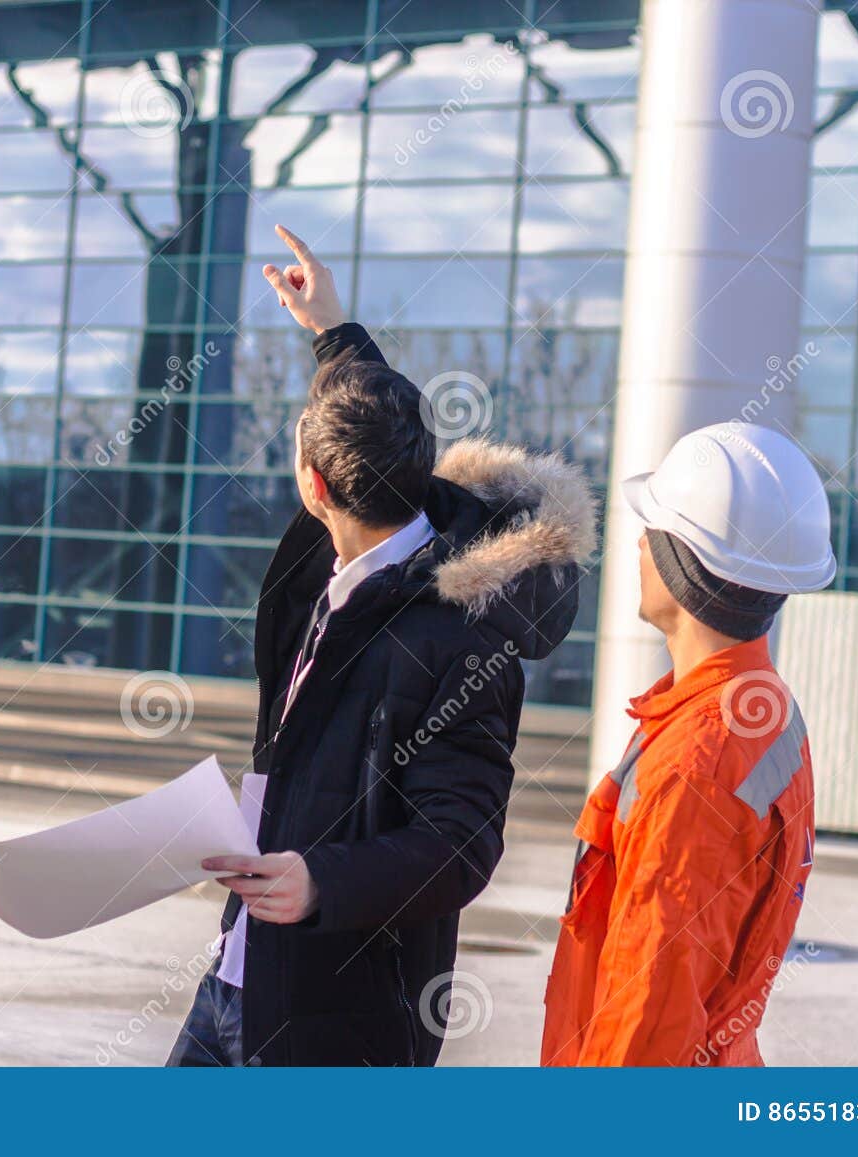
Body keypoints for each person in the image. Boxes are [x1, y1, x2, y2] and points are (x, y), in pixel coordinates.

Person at [168, 226, 597, 1066]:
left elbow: (461, 841)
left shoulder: (460, 639)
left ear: (314, 486)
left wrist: (322, 881)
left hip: (335, 1023)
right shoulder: (341, 559)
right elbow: (375, 425)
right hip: (237, 972)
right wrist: (333, 330)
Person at [540, 422, 837, 1067]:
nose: (639, 544)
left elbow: (649, 1010)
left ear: (685, 565)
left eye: (653, 531)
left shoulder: (696, 761)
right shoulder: (762, 711)